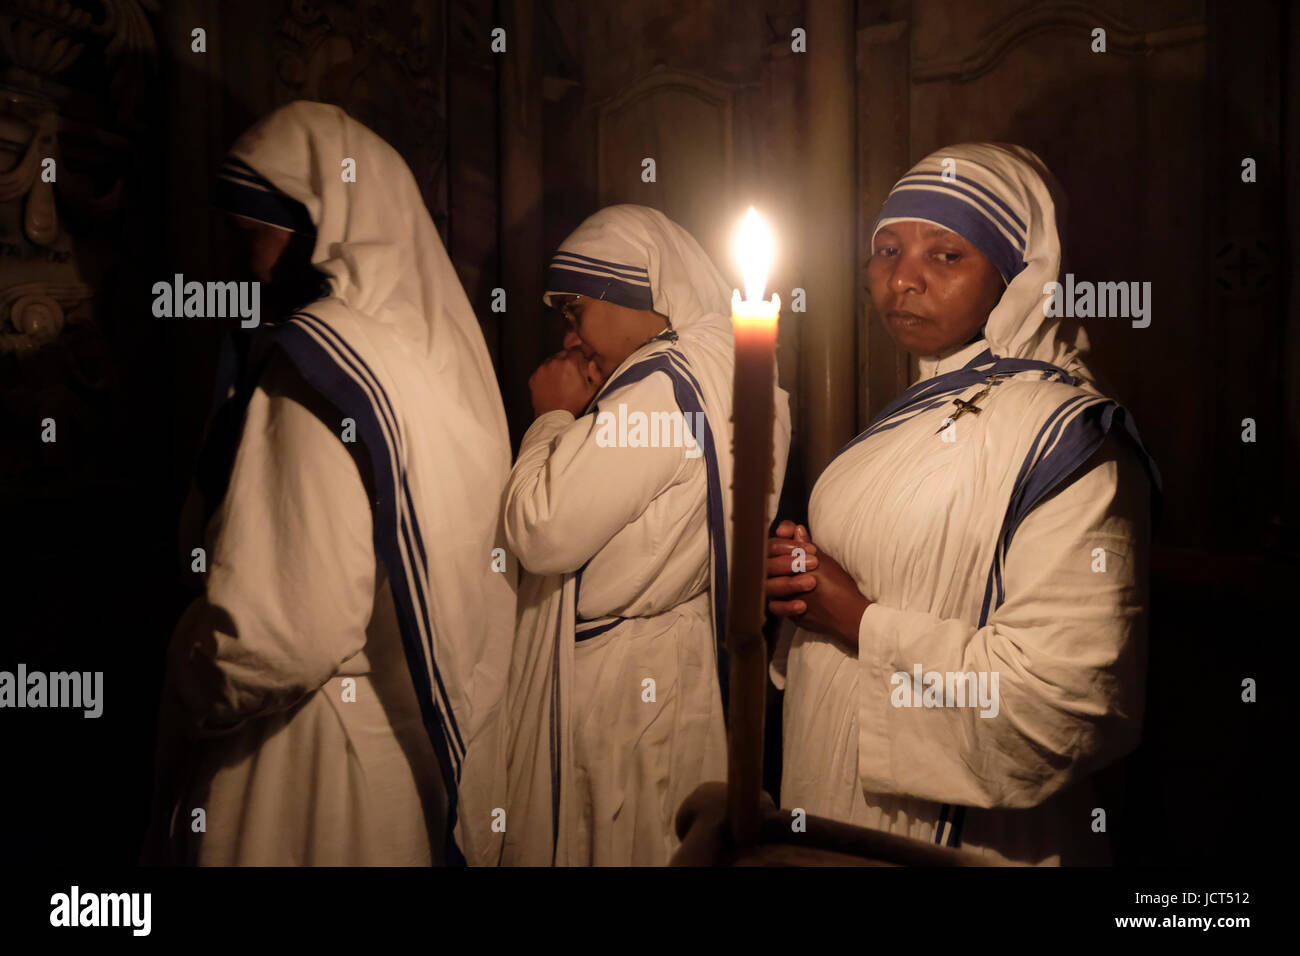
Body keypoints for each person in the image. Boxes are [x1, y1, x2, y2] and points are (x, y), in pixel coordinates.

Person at [767, 143, 1160, 866]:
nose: (902, 278)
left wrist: (854, 618)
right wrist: (803, 576)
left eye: (945, 255)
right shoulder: (917, 413)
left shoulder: (1070, 437)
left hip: (968, 837)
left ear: (1014, 278)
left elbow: (1069, 700)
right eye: (886, 249)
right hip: (833, 793)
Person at [148, 101, 514, 866]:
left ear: (322, 225)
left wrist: (187, 662)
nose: (245, 265)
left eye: (255, 234)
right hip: (393, 756)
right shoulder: (429, 361)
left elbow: (284, 633)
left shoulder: (321, 370)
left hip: (301, 772)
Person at [500, 205, 792, 865]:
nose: (571, 338)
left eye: (576, 311)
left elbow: (543, 529)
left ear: (638, 294)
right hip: (673, 654)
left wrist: (549, 420)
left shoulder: (659, 388)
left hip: (622, 680)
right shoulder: (728, 364)